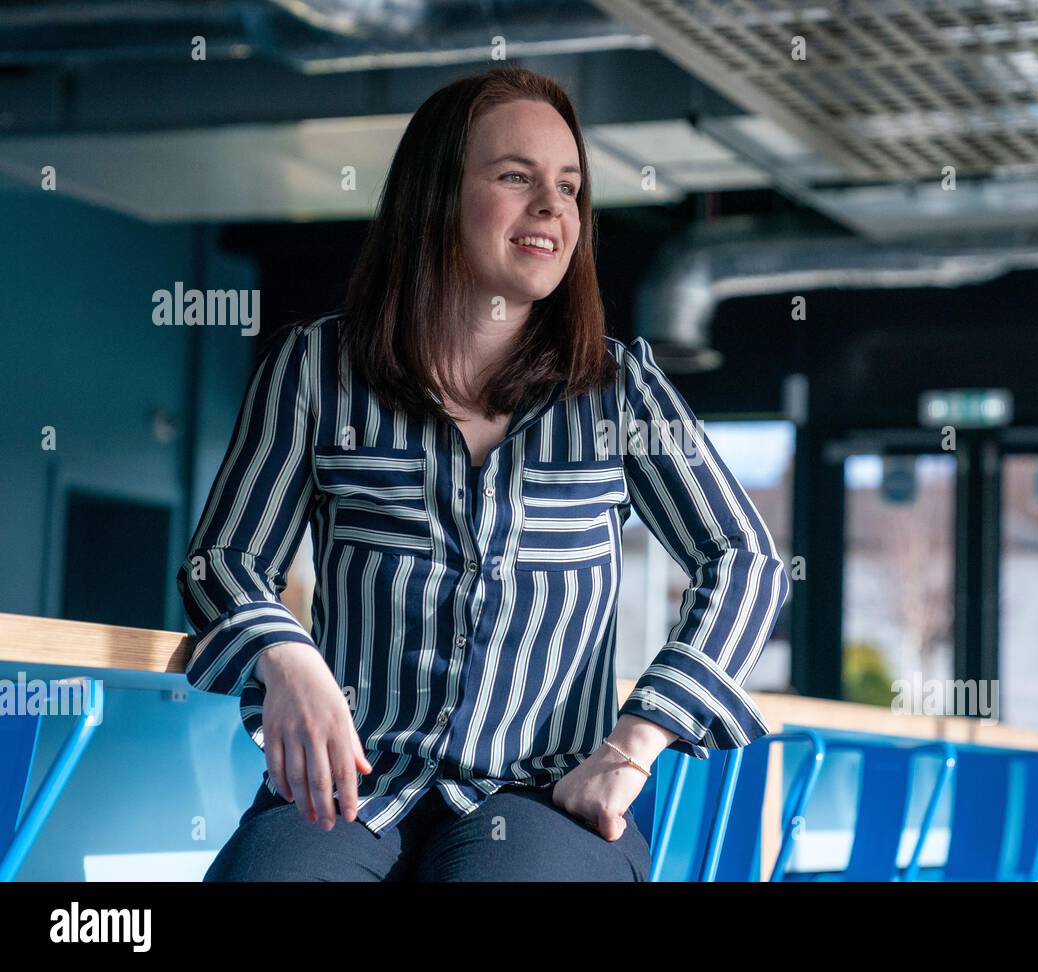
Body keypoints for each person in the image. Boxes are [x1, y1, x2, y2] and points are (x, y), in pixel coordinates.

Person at [177, 65, 790, 881]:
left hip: (542, 795)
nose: (552, 208)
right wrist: (284, 654)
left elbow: (745, 562)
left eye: (569, 187)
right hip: (356, 788)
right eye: (516, 177)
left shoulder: (622, 389)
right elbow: (224, 560)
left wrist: (636, 741)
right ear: (435, 197)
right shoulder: (314, 368)